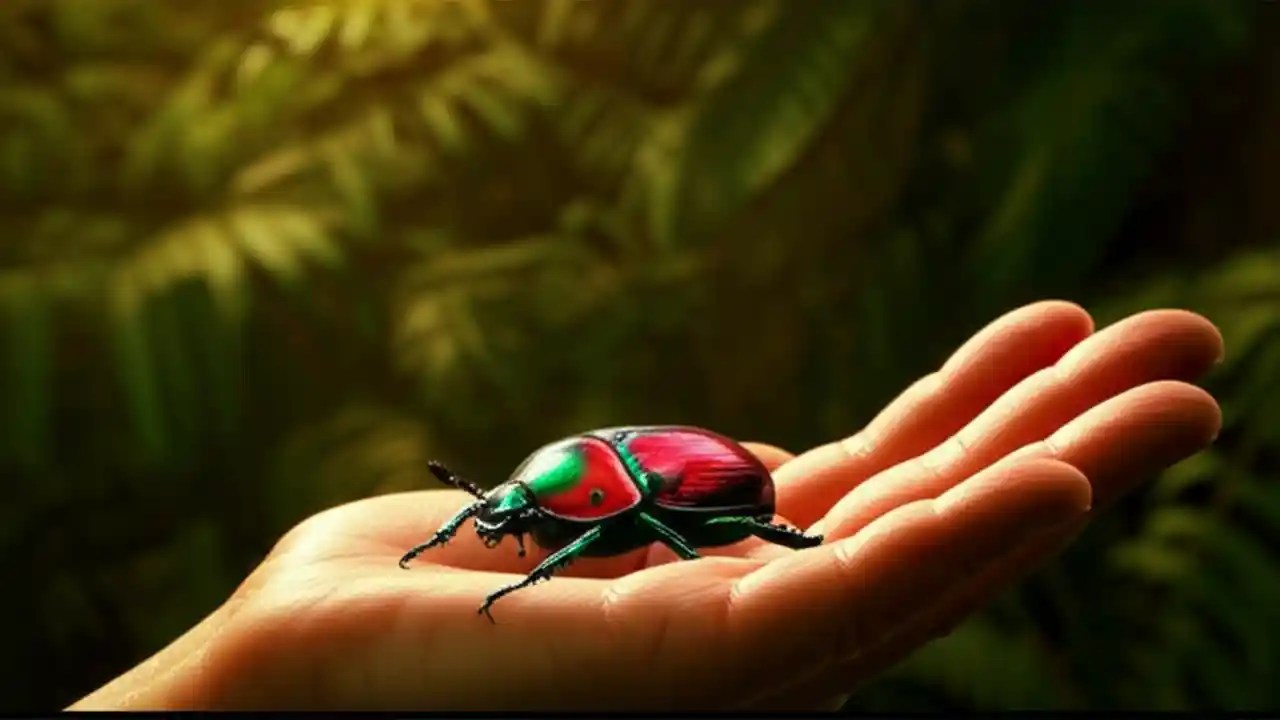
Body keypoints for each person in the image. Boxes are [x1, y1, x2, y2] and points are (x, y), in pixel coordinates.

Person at [69, 301, 1224, 711]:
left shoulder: (615, 495)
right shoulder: (562, 479)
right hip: (654, 476)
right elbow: (527, 505)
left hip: (722, 490)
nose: (511, 521)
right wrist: (258, 663)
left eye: (521, 513)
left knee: (665, 525)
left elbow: (631, 514)